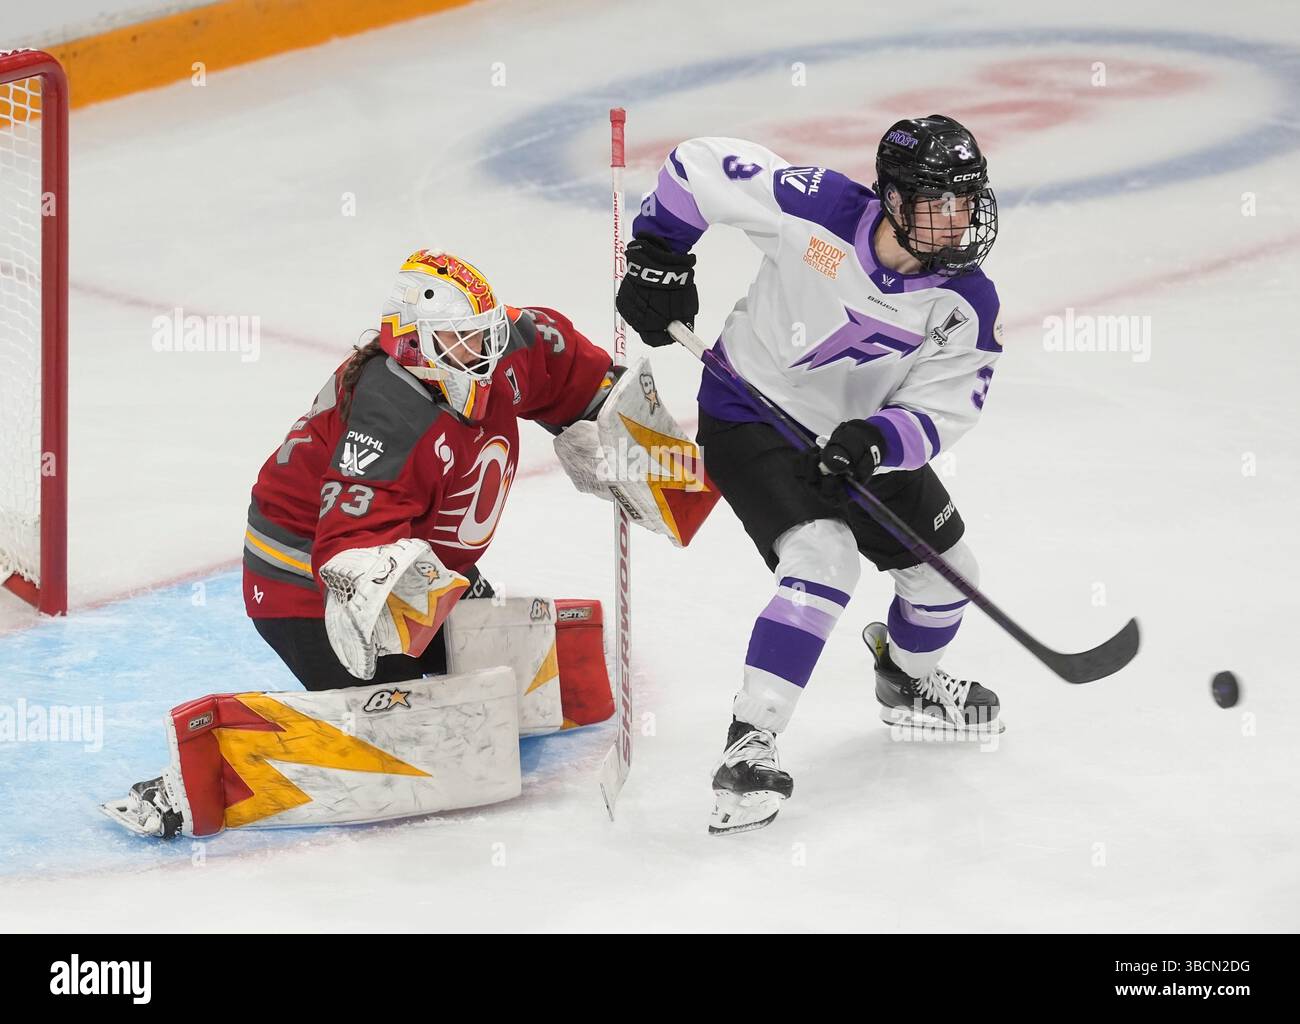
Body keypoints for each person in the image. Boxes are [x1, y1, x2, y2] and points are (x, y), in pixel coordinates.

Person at [616, 116, 1006, 835]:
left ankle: (909, 685)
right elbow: (700, 163)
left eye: (966, 201)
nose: (957, 221)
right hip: (750, 411)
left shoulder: (965, 304)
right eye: (937, 202)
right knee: (823, 558)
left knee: (952, 574)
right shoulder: (816, 208)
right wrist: (658, 253)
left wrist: (875, 441)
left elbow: (944, 410)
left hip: (862, 441)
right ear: (891, 198)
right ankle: (749, 743)